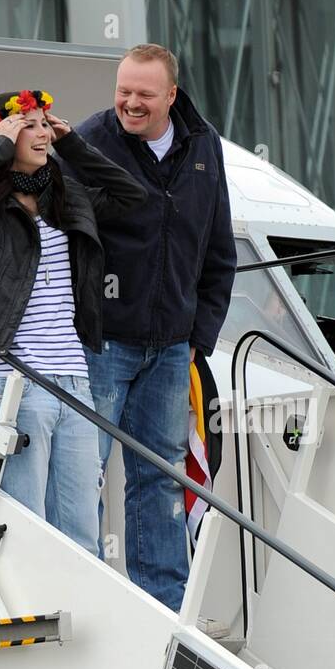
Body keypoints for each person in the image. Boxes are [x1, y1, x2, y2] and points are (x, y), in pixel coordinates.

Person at [0, 90, 146, 551]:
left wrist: (72, 144)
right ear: (3, 134)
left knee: (81, 531)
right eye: (27, 124)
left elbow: (132, 196)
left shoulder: (67, 198)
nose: (41, 132)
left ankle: (82, 619)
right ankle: (31, 623)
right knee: (25, 525)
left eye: (44, 123)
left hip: (74, 383)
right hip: (16, 380)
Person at [69, 44, 236, 611]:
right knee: (83, 472)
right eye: (123, 91)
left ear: (171, 96)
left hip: (171, 351)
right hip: (103, 346)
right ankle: (88, 605)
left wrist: (199, 338)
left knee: (160, 481)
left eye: (144, 94)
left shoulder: (204, 147)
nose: (130, 104)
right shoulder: (91, 140)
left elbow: (218, 251)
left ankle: (161, 610)